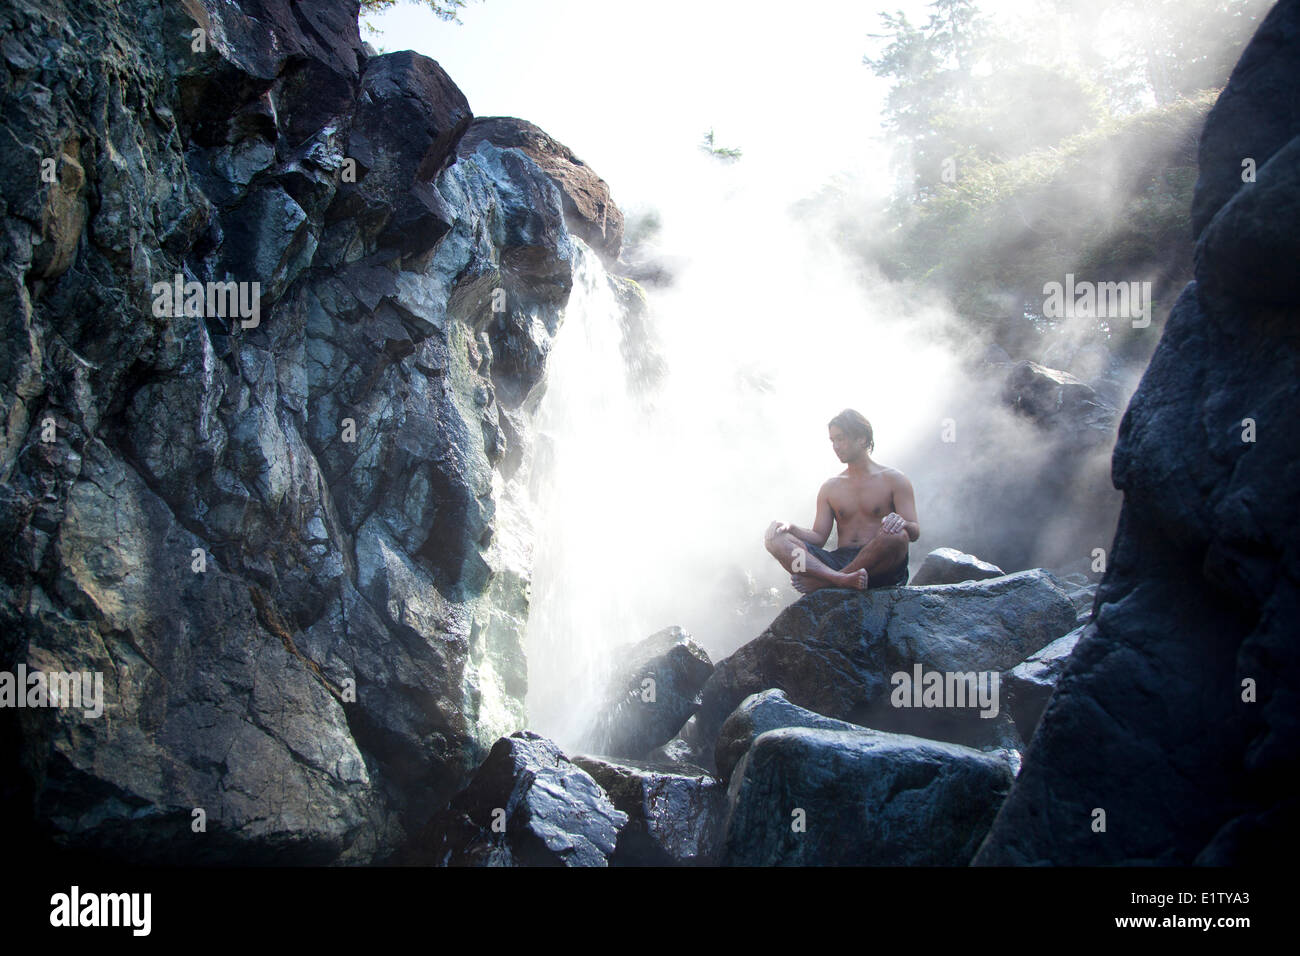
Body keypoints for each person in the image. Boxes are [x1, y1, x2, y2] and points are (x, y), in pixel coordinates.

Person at [764, 409, 920, 593]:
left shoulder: (895, 479)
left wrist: (902, 523)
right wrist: (791, 527)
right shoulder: (830, 487)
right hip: (840, 561)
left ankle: (826, 582)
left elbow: (914, 532)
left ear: (861, 439)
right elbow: (819, 538)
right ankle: (839, 579)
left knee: (898, 536)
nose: (836, 446)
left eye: (841, 439)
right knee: (776, 539)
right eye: (832, 441)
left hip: (881, 565)